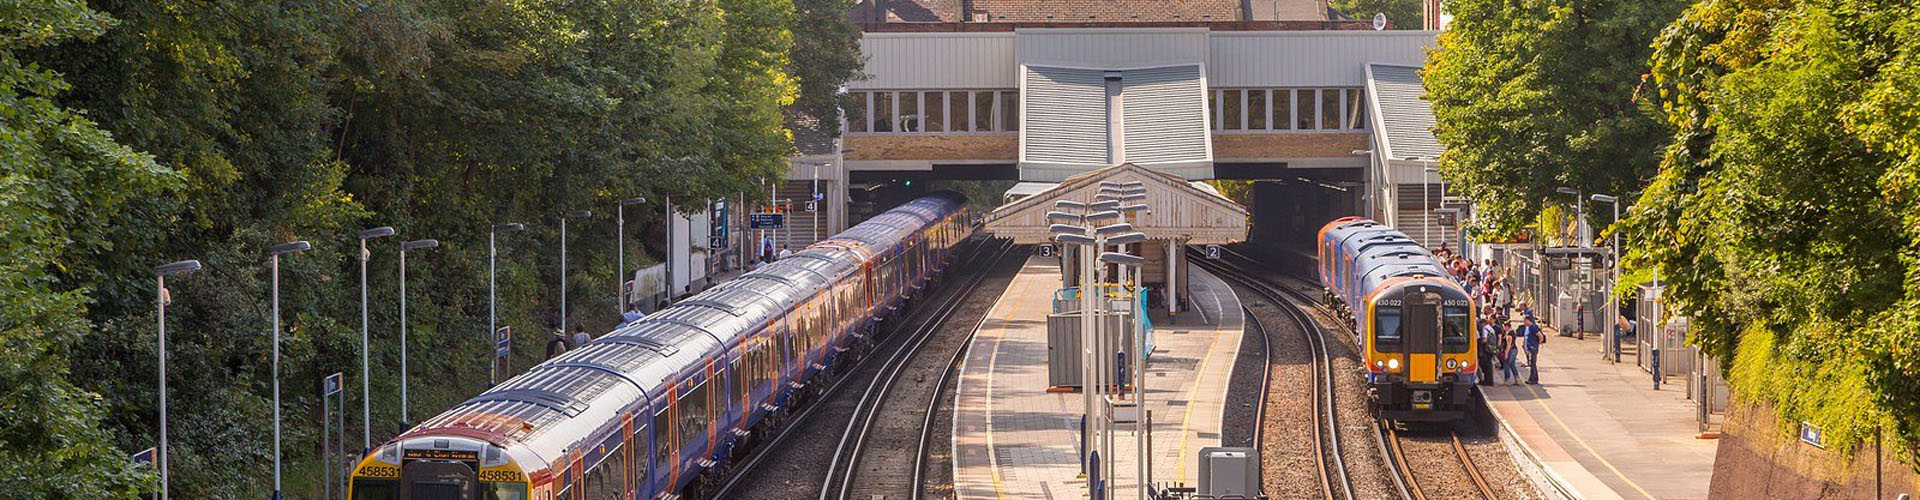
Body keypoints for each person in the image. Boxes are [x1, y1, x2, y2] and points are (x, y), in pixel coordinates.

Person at [1517, 316, 1544, 384]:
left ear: (1528, 320)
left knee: (1532, 364)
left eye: (1525, 321)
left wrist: (1537, 344)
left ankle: (1532, 379)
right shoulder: (1527, 328)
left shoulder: (1533, 327)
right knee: (1532, 364)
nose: (1524, 322)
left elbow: (1540, 336)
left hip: (1532, 348)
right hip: (1528, 348)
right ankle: (1535, 378)